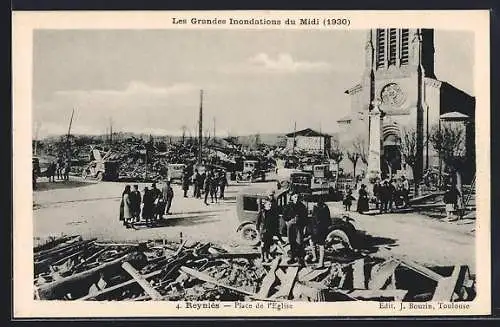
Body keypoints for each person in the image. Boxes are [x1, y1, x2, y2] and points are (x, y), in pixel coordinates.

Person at [283, 192, 308, 266]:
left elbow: (305, 217)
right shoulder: (288, 206)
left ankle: (300, 259)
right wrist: (288, 221)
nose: (296, 198)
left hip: (299, 226)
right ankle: (292, 258)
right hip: (291, 225)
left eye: (297, 197)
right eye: (295, 197)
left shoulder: (302, 206)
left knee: (299, 242)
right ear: (291, 198)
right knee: (291, 241)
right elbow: (284, 215)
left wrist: (303, 226)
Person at [256, 195, 279, 263]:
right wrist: (258, 231)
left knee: (268, 245)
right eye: (269, 204)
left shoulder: (272, 212)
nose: (270, 205)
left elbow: (274, 222)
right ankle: (262, 257)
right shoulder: (262, 212)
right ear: (265, 205)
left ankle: (266, 257)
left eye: (270, 204)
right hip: (263, 231)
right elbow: (258, 222)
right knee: (263, 245)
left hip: (270, 231)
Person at [309, 200, 332, 268]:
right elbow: (329, 220)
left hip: (317, 229)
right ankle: (316, 258)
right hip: (322, 229)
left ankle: (320, 262)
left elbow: (315, 219)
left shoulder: (316, 208)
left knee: (320, 245)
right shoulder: (326, 208)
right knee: (314, 242)